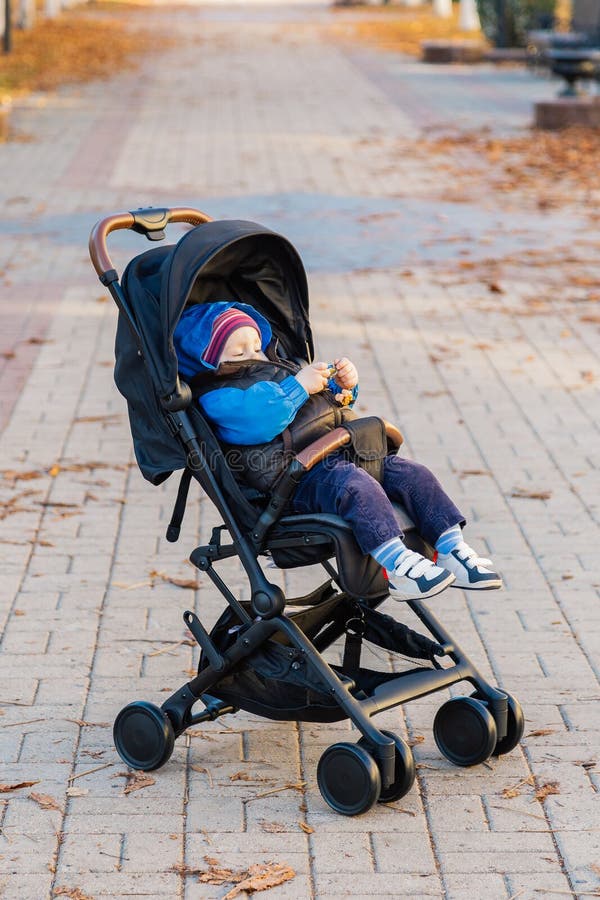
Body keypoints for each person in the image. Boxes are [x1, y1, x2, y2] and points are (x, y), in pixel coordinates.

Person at [174, 301, 502, 601]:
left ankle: (452, 550)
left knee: (412, 473)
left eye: (257, 346)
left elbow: (326, 406)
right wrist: (299, 386)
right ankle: (399, 566)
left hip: (341, 454)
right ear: (208, 361)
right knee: (352, 484)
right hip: (292, 483)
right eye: (238, 351)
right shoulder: (218, 396)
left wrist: (343, 386)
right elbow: (260, 418)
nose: (254, 355)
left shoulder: (283, 369)